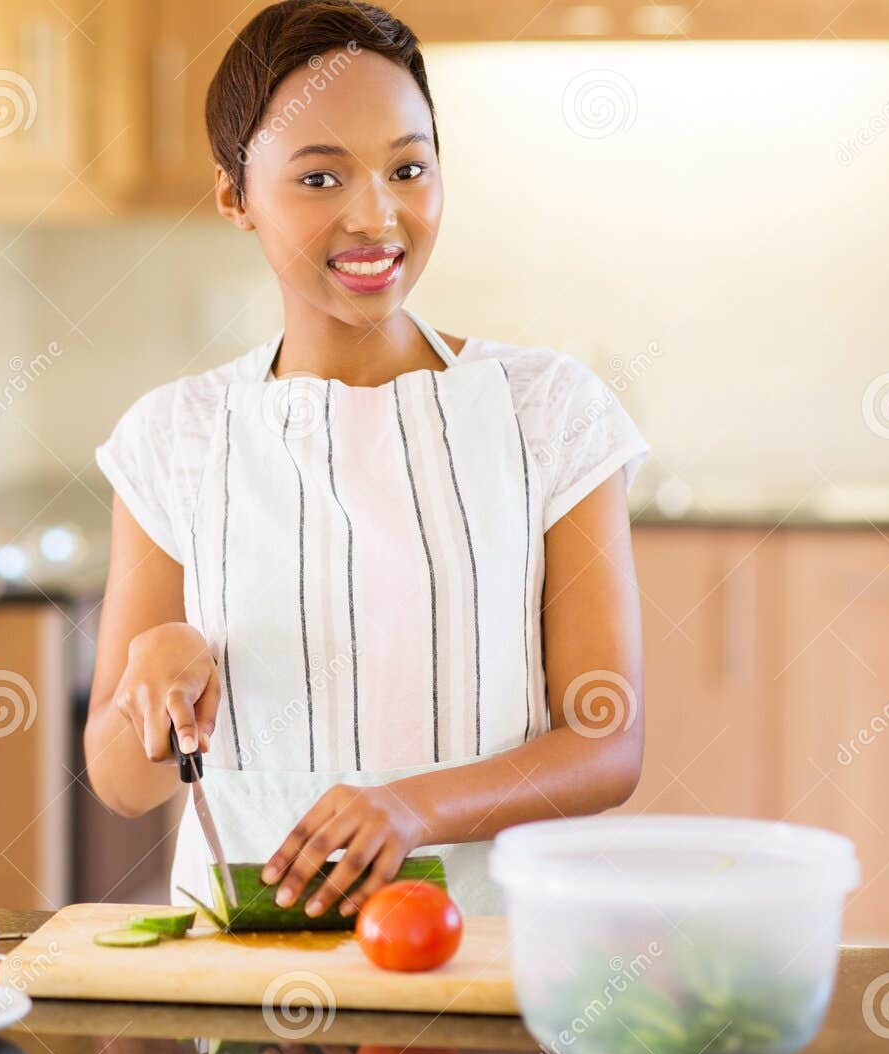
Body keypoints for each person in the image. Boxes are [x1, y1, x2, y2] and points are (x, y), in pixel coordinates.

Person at [85, 0, 648, 918]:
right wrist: (156, 665)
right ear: (235, 196)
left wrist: (409, 809)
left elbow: (606, 744)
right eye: (318, 178)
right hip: (239, 975)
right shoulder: (175, 436)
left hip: (490, 957)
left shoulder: (549, 411)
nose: (376, 215)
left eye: (408, 168)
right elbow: (121, 781)